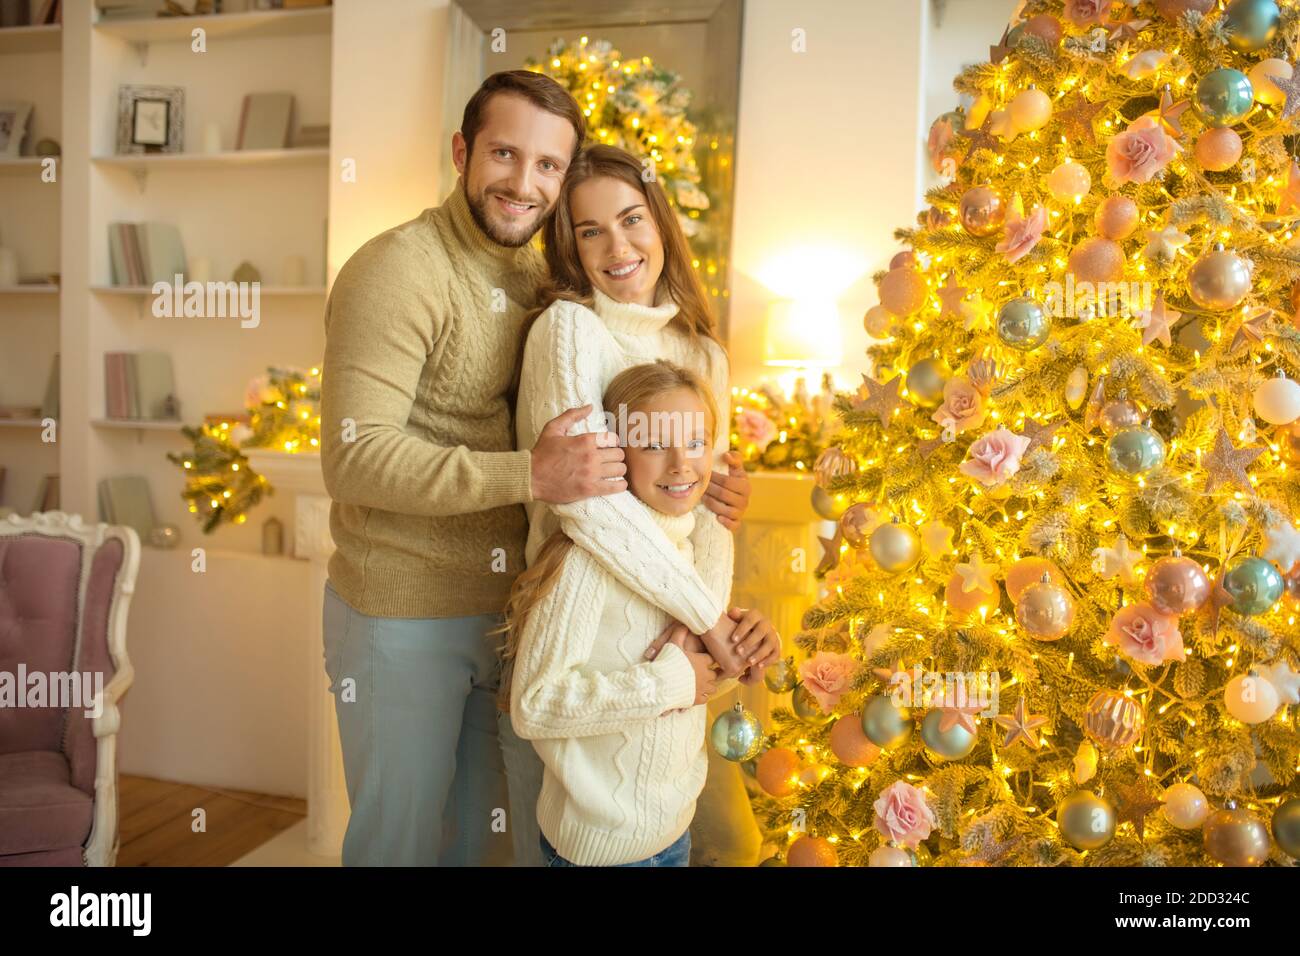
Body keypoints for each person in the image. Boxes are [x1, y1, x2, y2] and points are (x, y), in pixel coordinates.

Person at [320, 71, 612, 866]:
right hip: (402, 610)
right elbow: (352, 455)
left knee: (490, 849)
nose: (525, 184)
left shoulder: (550, 271)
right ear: (462, 152)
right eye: (505, 154)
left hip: (515, 613)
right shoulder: (398, 270)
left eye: (549, 166)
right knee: (401, 848)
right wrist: (531, 476)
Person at [504, 144, 769, 866]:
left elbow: (703, 510)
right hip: (588, 624)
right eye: (589, 231)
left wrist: (721, 634)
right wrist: (709, 624)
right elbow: (585, 506)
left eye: (631, 220)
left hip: (681, 671)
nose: (617, 247)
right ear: (570, 247)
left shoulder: (701, 352)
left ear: (661, 223)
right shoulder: (569, 331)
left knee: (691, 832)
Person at [502, 361, 780, 867]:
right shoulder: (588, 558)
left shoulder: (693, 544)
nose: (680, 465)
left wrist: (748, 644)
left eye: (694, 442)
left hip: (672, 831)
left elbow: (699, 678)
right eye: (653, 444)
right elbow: (535, 705)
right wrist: (668, 681)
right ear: (616, 452)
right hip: (599, 850)